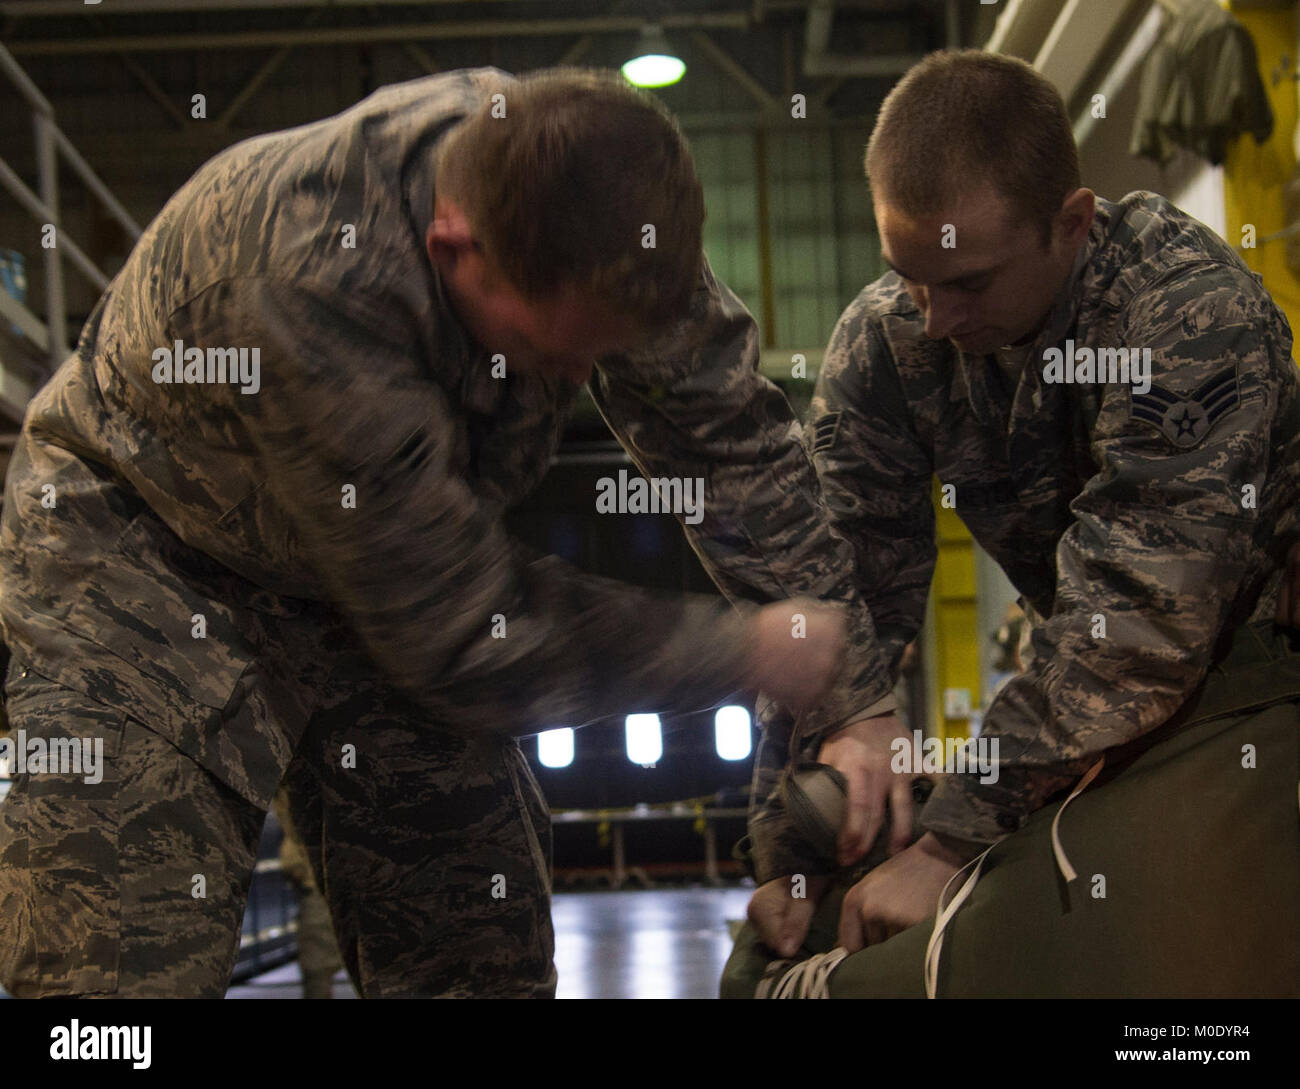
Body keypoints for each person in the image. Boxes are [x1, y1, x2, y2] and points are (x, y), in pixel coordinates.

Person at [0, 67, 877, 998]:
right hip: (149, 561)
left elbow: (728, 435)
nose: (578, 377)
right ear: (454, 247)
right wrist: (743, 649)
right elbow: (465, 633)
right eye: (552, 355)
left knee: (474, 951)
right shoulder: (306, 278)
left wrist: (855, 698)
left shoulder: (595, 203)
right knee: (116, 969)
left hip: (377, 573)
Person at [726, 48, 1300, 998]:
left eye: (969, 283)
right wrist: (794, 835)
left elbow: (1137, 619)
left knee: (1109, 959)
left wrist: (952, 834)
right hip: (1093, 699)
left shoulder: (1181, 310)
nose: (935, 316)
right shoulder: (890, 337)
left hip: (1251, 674)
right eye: (909, 276)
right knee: (794, 951)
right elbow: (838, 602)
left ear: (1071, 223)